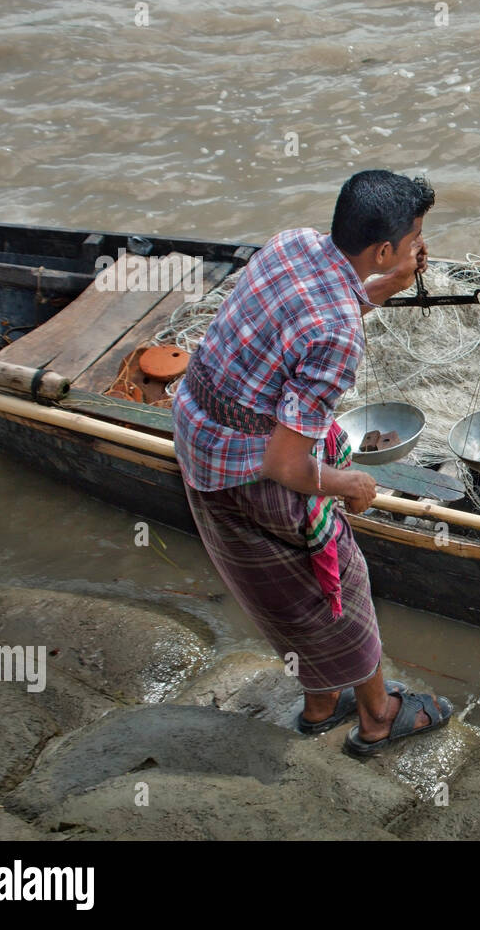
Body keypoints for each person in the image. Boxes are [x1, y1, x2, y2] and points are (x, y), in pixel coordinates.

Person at [173, 170, 452, 759]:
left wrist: (390, 283)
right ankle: (377, 717)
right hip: (248, 464)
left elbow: (320, 310)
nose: (416, 249)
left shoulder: (292, 242)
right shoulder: (338, 333)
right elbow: (285, 463)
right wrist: (348, 481)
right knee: (339, 582)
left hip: (199, 434)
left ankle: (321, 704)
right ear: (382, 248)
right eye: (413, 239)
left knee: (284, 585)